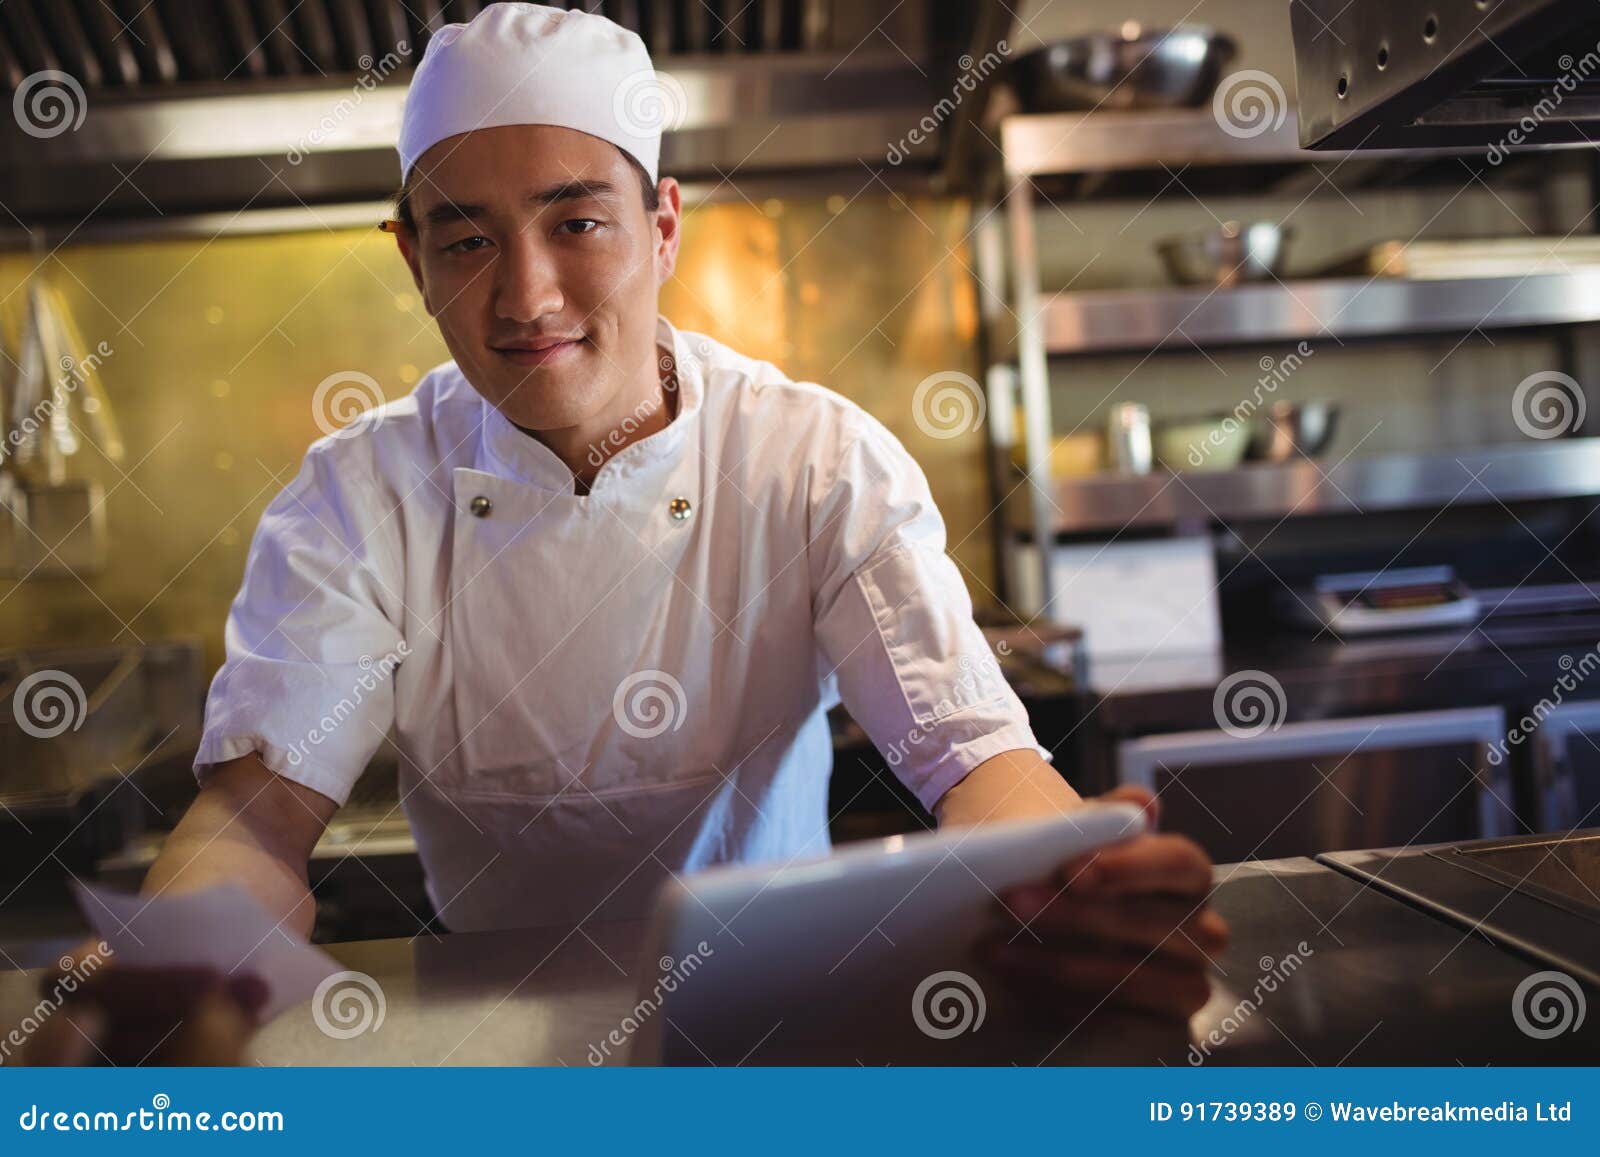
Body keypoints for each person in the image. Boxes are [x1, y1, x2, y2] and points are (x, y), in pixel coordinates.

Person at [27, 3, 1224, 1063]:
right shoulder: (360, 495)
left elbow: (975, 758)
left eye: (577, 223)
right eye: (465, 238)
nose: (526, 295)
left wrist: (1074, 893)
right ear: (412, 257)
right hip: (492, 1034)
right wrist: (184, 963)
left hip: (787, 1024)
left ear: (661, 228)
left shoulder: (810, 458)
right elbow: (256, 813)